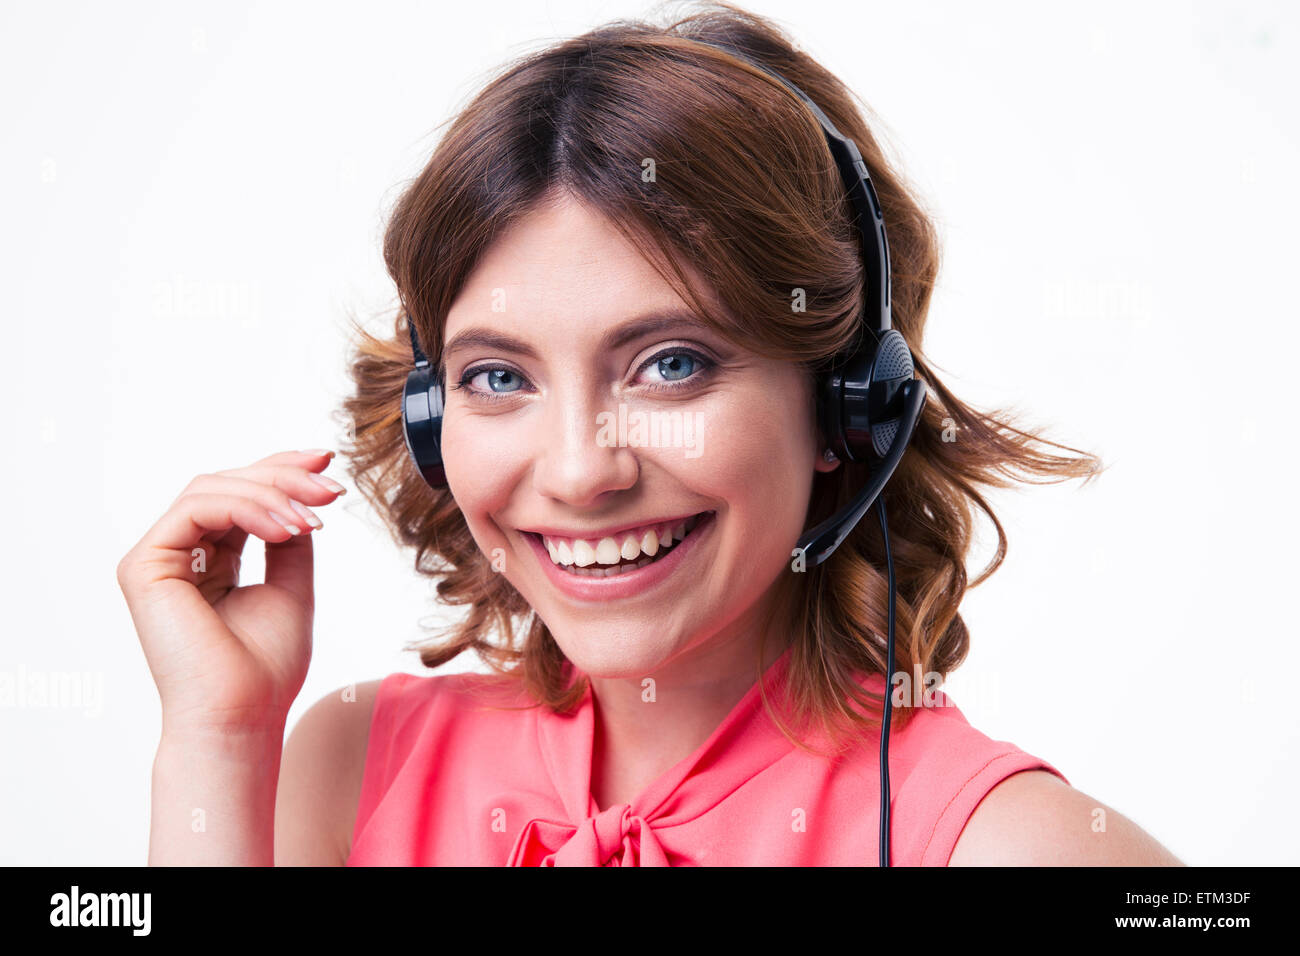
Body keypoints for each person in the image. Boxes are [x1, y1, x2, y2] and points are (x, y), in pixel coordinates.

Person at [117, 1, 1183, 866]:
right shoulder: (352, 767)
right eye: (498, 375)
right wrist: (218, 738)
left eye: (671, 363)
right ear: (433, 417)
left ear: (844, 399)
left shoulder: (1013, 847)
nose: (580, 469)